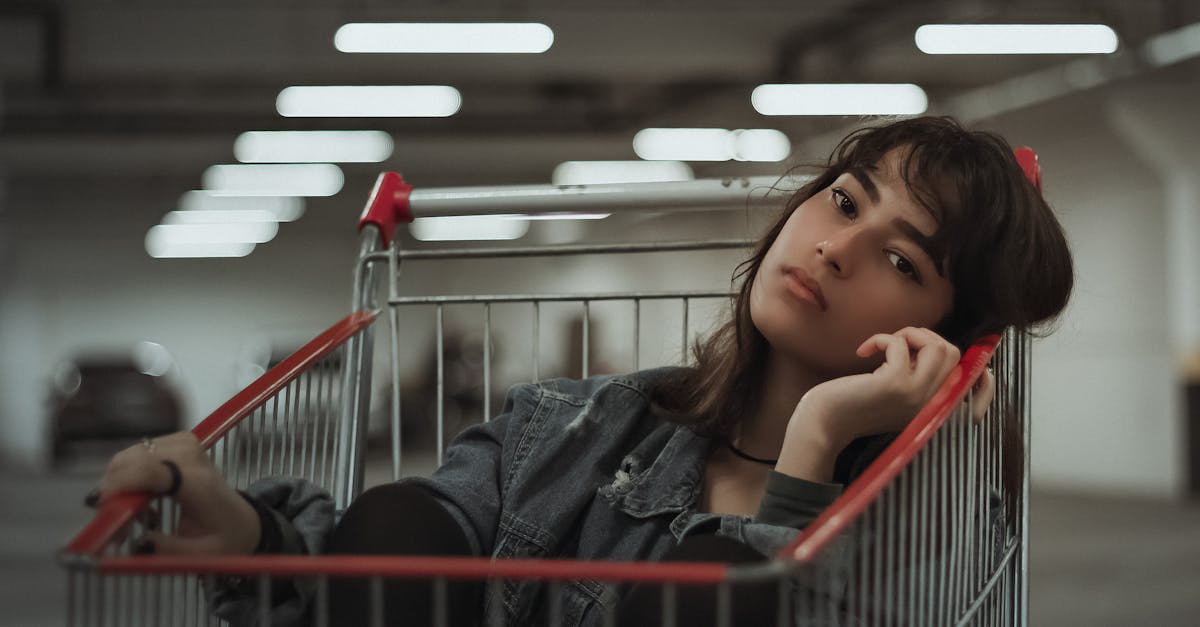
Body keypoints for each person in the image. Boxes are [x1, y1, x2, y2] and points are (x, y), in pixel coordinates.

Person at [88, 116, 1074, 626]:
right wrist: (254, 538)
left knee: (713, 595)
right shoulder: (575, 422)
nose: (835, 249)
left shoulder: (924, 519)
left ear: (946, 337)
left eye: (903, 262)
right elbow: (383, 578)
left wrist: (816, 437)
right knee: (392, 520)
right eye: (844, 202)